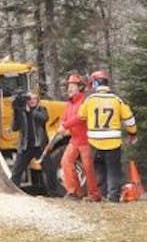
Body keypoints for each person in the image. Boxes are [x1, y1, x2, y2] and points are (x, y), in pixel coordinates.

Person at [78, 70, 137, 202]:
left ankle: (102, 195)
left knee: (99, 169)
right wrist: (132, 133)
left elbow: (81, 115)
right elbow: (129, 118)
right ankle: (113, 196)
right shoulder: (117, 100)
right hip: (113, 142)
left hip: (95, 142)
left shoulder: (90, 100)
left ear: (96, 83)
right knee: (113, 169)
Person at [57, 73, 101, 201]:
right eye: (68, 86)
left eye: (72, 86)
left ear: (80, 87)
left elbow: (80, 118)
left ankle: (94, 194)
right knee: (66, 162)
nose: (69, 88)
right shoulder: (69, 103)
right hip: (74, 140)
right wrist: (63, 127)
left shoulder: (85, 102)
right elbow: (64, 117)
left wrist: (65, 125)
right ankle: (74, 192)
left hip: (85, 140)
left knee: (88, 168)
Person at [8, 86, 48, 186]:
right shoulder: (22, 112)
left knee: (48, 169)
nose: (32, 101)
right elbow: (15, 128)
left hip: (39, 145)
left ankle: (54, 192)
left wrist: (30, 111)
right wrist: (16, 112)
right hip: (25, 146)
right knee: (17, 171)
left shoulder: (41, 109)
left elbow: (44, 118)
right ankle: (14, 191)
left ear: (38, 100)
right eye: (30, 99)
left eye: (35, 99)